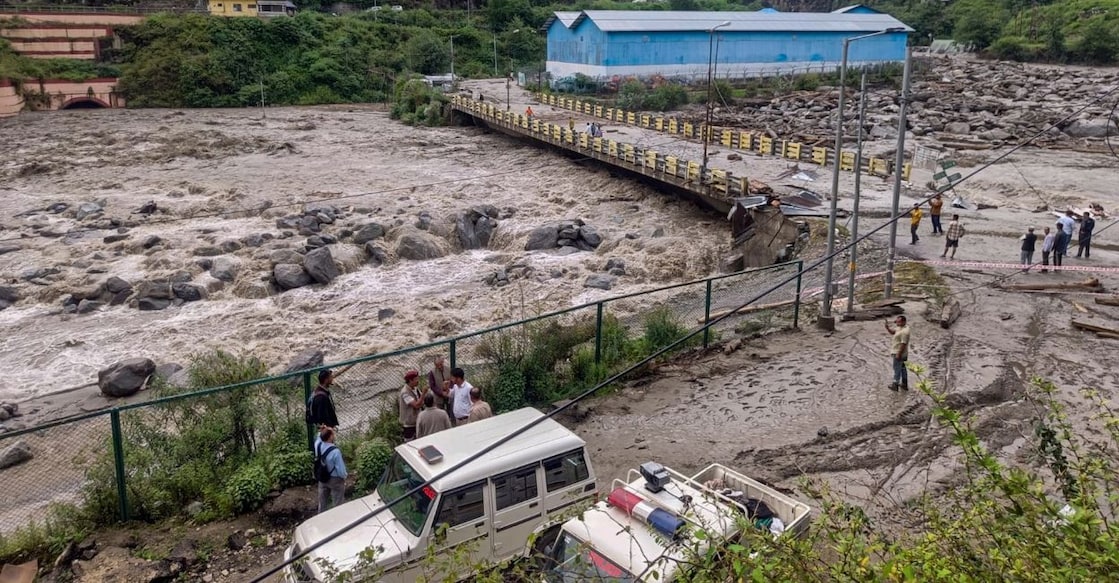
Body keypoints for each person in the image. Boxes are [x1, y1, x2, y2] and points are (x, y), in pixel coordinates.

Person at [314, 427, 347, 513]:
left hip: (322, 477)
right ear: (330, 437)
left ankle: (321, 518)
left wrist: (321, 431)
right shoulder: (335, 451)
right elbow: (341, 470)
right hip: (335, 479)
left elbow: (318, 438)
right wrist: (344, 477)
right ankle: (338, 518)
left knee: (322, 502)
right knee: (338, 502)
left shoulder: (318, 445)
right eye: (333, 433)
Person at [884, 315, 910, 391]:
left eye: (898, 322)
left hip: (899, 352)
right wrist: (887, 328)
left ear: (903, 322)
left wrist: (899, 354)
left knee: (897, 368)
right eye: (897, 321)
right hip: (901, 352)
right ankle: (904, 384)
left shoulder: (905, 332)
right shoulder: (900, 327)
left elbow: (903, 344)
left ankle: (895, 385)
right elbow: (893, 332)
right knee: (902, 368)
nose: (897, 323)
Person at [398, 370, 425, 441]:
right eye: (416, 379)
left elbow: (421, 402)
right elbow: (416, 405)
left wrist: (421, 401)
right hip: (409, 422)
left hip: (417, 420)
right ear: (410, 380)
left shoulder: (415, 388)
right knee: (409, 441)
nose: (418, 381)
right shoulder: (405, 393)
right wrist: (423, 394)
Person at [426, 354, 453, 424]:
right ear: (435, 365)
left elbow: (452, 381)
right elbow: (432, 386)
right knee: (440, 413)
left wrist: (449, 390)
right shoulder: (432, 372)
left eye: (441, 364)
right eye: (437, 365)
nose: (440, 366)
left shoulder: (448, 369)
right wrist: (441, 392)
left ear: (443, 362)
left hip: (449, 394)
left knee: (451, 410)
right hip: (438, 397)